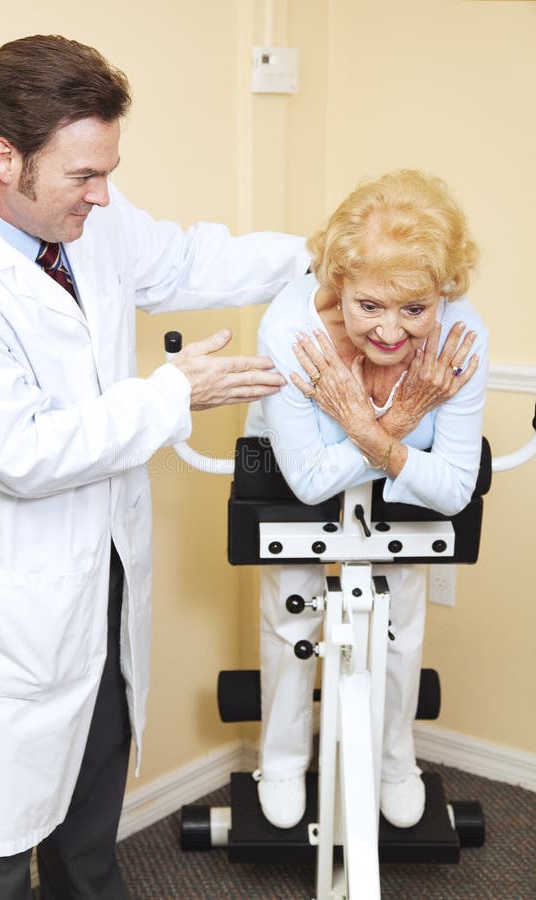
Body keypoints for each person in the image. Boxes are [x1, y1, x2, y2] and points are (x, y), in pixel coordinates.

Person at [0, 35, 309, 899]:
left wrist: (319, 255)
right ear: (6, 158)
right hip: (8, 592)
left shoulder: (84, 218)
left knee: (91, 820)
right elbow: (23, 453)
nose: (104, 194)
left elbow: (188, 258)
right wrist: (171, 395)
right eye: (85, 175)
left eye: (107, 170)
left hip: (106, 565)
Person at [246, 169, 488, 831]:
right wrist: (399, 434)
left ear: (442, 293)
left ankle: (393, 762)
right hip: (291, 471)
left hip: (392, 485)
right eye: (368, 307)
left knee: (398, 620)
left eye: (413, 309)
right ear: (337, 284)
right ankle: (284, 759)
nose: (388, 332)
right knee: (291, 612)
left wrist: (372, 428)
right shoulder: (290, 331)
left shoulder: (460, 336)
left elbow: (454, 487)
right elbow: (308, 481)